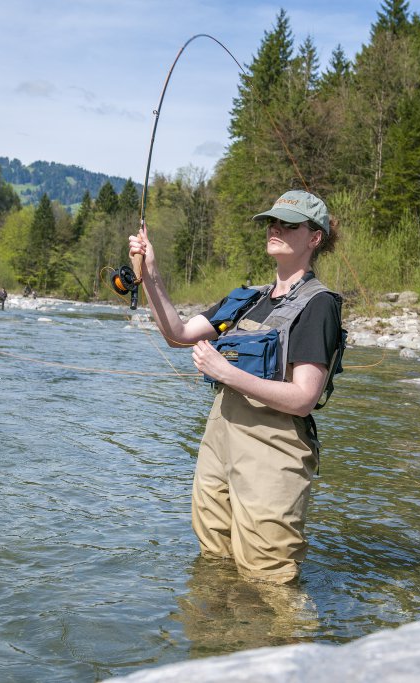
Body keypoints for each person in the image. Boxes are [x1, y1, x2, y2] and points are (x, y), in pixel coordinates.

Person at [128, 189, 344, 584]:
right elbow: (178, 334)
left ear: (315, 238)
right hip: (220, 438)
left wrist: (226, 372)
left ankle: (292, 642)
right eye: (272, 222)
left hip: (274, 448)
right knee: (215, 556)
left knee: (268, 573)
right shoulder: (246, 299)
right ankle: (223, 639)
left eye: (288, 224)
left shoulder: (319, 304)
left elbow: (303, 398)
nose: (275, 229)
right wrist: (151, 273)